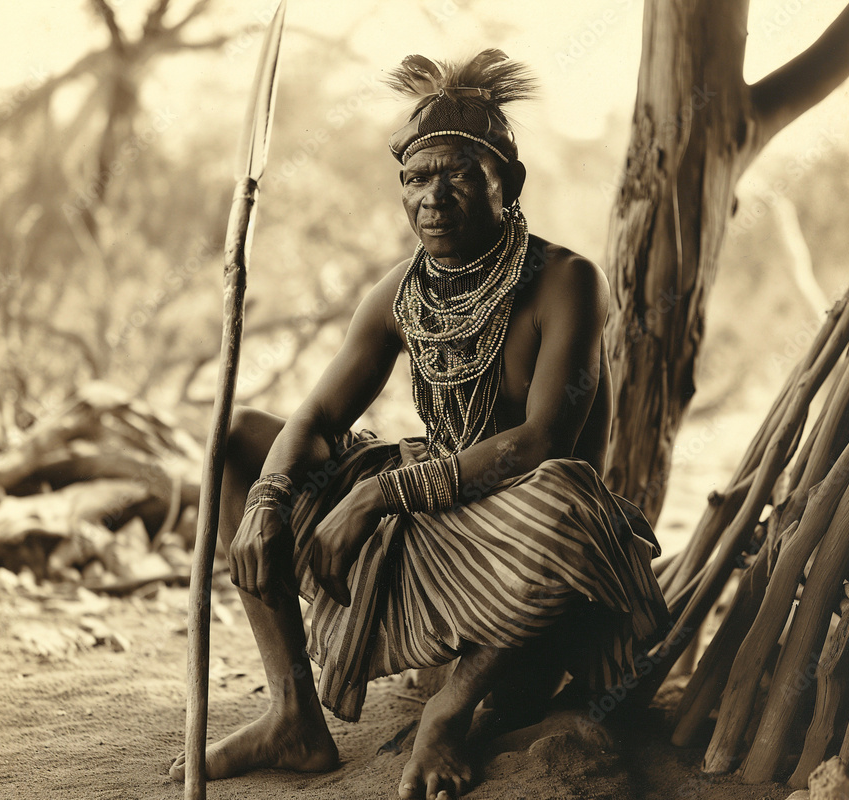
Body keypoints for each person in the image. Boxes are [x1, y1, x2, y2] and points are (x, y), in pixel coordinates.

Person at [170, 49, 669, 800]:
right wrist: (268, 498)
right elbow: (315, 415)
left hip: (529, 557)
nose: (432, 197)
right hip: (431, 535)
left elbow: (537, 445)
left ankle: (451, 706)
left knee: (567, 492)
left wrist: (378, 497)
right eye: (415, 177)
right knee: (241, 443)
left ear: (511, 184)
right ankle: (294, 714)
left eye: (458, 174)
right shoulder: (398, 294)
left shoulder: (566, 280)